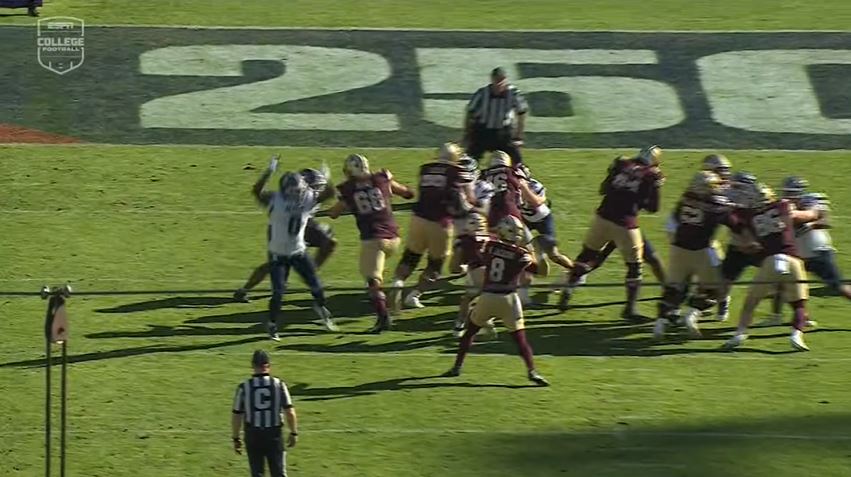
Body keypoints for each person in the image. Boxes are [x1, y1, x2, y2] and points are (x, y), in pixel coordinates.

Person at [559, 146, 666, 321]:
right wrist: (655, 187)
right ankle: (630, 309)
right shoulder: (650, 175)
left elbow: (603, 189)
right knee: (635, 266)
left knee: (586, 256)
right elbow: (653, 208)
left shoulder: (622, 163)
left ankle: (567, 292)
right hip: (625, 225)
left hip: (602, 218)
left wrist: (618, 184)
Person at [443, 215, 549, 386]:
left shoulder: (490, 246)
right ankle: (532, 371)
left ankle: (457, 366)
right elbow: (542, 273)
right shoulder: (522, 254)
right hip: (509, 300)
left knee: (469, 333)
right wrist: (540, 255)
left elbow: (479, 258)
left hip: (488, 297)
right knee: (520, 340)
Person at [723, 183, 822, 352]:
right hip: (792, 260)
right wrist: (815, 210)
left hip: (770, 261)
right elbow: (807, 216)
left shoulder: (750, 217)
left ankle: (740, 334)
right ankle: (796, 335)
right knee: (799, 304)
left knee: (751, 302)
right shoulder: (783, 204)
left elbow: (749, 240)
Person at [327, 154, 415, 333]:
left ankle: (383, 317)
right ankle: (386, 292)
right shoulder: (381, 178)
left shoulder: (348, 188)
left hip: (374, 240)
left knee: (372, 281)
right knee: (375, 274)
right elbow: (408, 193)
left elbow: (334, 213)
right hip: (394, 238)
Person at [252, 156, 337, 340]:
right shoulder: (276, 200)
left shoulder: (306, 198)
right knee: (278, 293)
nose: (295, 195)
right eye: (292, 192)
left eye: (298, 191)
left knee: (317, 287)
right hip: (278, 255)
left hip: (298, 252)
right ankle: (272, 325)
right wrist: (269, 171)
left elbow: (330, 193)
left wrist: (327, 177)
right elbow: (257, 191)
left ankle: (320, 308)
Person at [653, 171, 738, 339]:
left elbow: (676, 219)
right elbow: (734, 223)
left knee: (672, 290)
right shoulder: (716, 204)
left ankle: (660, 322)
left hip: (678, 249)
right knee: (714, 289)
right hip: (700, 251)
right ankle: (691, 314)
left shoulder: (686, 198)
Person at [234, 167, 337, 302]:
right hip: (282, 231)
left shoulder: (298, 196)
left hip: (299, 227)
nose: (318, 190)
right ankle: (245, 289)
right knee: (277, 265)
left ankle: (310, 272)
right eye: (317, 187)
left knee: (329, 242)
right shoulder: (287, 199)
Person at [388, 142, 471, 312]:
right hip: (440, 222)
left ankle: (398, 282)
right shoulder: (456, 171)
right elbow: (456, 198)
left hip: (418, 218)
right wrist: (466, 213)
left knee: (411, 256)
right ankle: (414, 295)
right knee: (435, 264)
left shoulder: (425, 168)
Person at [231, 350, 298, 477]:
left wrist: (236, 438)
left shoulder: (244, 387)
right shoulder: (279, 384)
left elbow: (237, 415)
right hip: (274, 433)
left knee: (257, 473)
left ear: (252, 365)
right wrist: (294, 432)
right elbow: (289, 411)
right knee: (279, 472)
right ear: (268, 365)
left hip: (253, 434)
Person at [449, 156, 494, 337]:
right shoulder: (451, 188)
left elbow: (485, 212)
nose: (462, 179)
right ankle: (479, 321)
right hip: (464, 231)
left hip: (480, 231)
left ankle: (469, 323)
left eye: (465, 176)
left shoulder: (484, 187)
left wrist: (467, 204)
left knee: (478, 290)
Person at [517, 163, 574, 304]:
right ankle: (522, 289)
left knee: (553, 254)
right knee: (521, 251)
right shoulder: (511, 187)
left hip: (543, 219)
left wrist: (523, 188)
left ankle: (575, 272)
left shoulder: (535, 185)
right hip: (525, 219)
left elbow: (537, 201)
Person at [463, 67, 528, 165]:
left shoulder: (514, 93)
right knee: (469, 160)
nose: (499, 83)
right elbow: (470, 112)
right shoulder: (482, 93)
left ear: (506, 80)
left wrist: (518, 136)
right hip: (482, 131)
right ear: (492, 79)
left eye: (501, 80)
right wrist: (468, 133)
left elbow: (521, 113)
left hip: (504, 133)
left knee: (517, 162)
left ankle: (518, 174)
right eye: (496, 80)